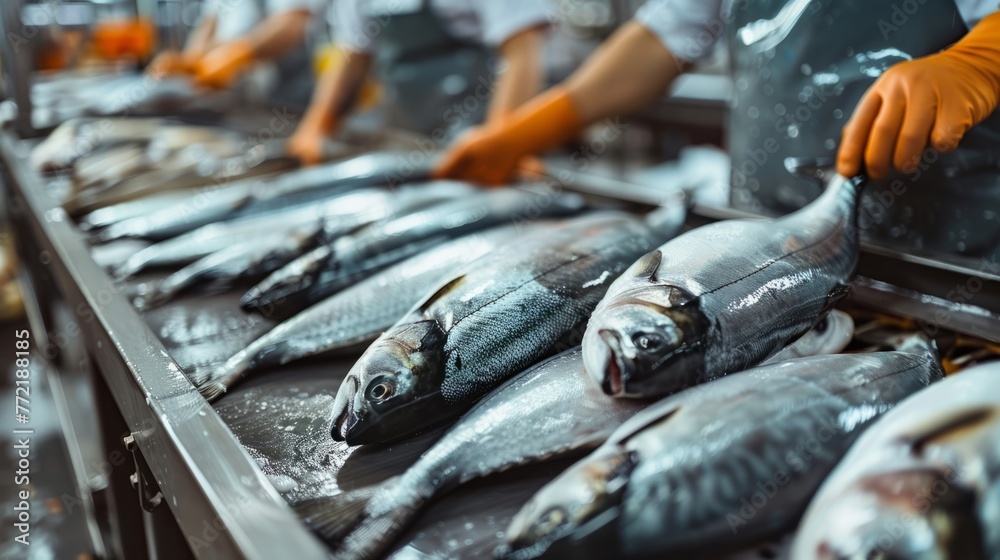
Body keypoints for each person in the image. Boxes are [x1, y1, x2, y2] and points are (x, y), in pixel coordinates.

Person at [436, 1, 1000, 261]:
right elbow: (666, 35)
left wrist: (981, 58)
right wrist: (523, 132)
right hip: (760, 247)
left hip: (936, 264)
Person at [286, 0, 552, 165]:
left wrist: (504, 139)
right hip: (404, 136)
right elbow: (353, 54)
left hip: (475, 131)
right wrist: (318, 123)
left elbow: (521, 52)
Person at [148, 0, 322, 106]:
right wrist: (189, 61)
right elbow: (209, 23)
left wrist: (239, 54)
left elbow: (294, 21)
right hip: (239, 106)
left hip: (286, 104)